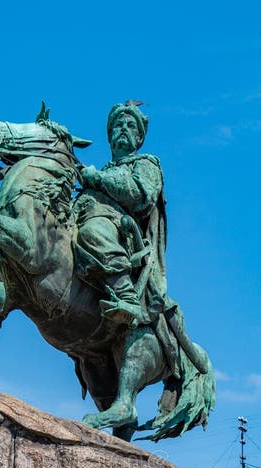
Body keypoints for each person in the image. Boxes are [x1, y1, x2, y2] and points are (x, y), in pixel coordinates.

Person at [74, 101, 167, 327]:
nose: (124, 128)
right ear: (110, 136)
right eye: (118, 125)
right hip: (84, 218)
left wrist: (97, 179)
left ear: (139, 137)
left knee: (92, 232)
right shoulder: (102, 171)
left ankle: (127, 296)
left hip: (121, 231)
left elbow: (140, 193)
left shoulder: (146, 163)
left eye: (130, 125)